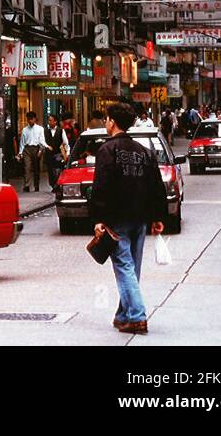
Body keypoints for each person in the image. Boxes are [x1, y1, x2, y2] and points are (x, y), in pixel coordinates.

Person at [89, 104, 168, 335]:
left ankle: (137, 316)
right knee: (132, 267)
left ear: (112, 121)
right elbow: (156, 186)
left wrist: (99, 218)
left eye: (106, 119)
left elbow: (100, 187)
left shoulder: (107, 150)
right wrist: (157, 216)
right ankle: (123, 314)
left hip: (117, 219)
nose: (106, 123)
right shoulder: (144, 151)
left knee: (124, 267)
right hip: (140, 218)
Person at [16, 112, 46, 193]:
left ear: (35, 119)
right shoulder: (24, 130)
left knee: (36, 169)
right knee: (27, 167)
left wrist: (41, 150)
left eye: (31, 119)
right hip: (27, 149)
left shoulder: (40, 129)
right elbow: (22, 143)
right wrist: (20, 153)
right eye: (28, 119)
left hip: (36, 149)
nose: (29, 121)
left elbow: (42, 140)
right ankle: (26, 185)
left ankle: (36, 185)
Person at [44, 114, 69, 188]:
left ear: (55, 121)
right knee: (50, 171)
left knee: (57, 171)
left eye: (50, 120)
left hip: (58, 154)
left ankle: (57, 185)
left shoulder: (61, 130)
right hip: (49, 155)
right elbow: (43, 141)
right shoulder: (45, 131)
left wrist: (67, 153)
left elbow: (65, 142)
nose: (49, 122)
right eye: (48, 120)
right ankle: (52, 185)